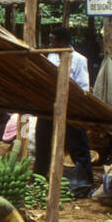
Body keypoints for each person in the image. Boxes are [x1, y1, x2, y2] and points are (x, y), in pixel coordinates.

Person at [34, 26, 93, 197]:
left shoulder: (79, 60)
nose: (51, 44)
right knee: (42, 143)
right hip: (48, 107)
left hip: (71, 107)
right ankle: (39, 180)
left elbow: (83, 87)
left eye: (53, 41)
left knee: (78, 145)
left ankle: (85, 181)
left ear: (63, 42)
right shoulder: (51, 56)